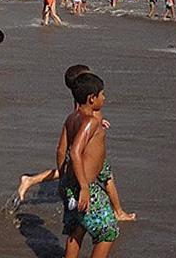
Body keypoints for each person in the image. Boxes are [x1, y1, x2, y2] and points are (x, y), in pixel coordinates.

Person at [16, 66, 134, 224]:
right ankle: (118, 212)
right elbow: (84, 122)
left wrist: (99, 123)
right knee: (107, 178)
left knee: (68, 170)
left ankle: (31, 180)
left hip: (85, 141)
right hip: (89, 146)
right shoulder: (88, 98)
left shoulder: (82, 99)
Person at [60, 72, 119, 258]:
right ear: (91, 98)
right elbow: (75, 151)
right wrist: (84, 187)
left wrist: (63, 180)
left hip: (70, 183)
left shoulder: (71, 118)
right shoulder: (91, 122)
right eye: (102, 94)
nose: (104, 98)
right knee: (108, 231)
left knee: (77, 229)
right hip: (85, 186)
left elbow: (61, 151)